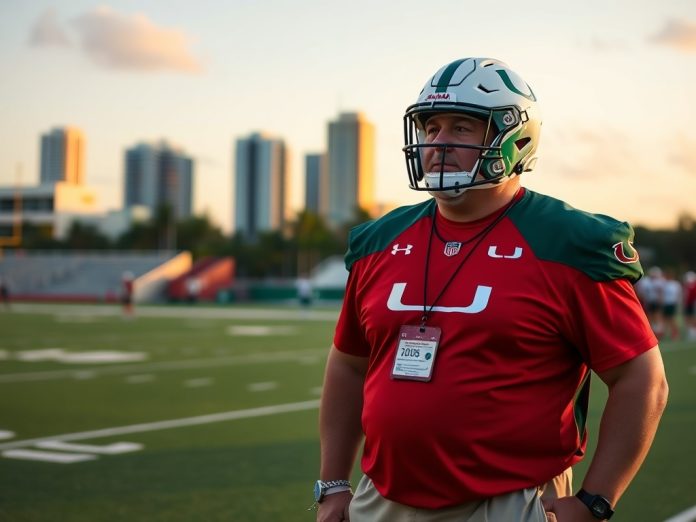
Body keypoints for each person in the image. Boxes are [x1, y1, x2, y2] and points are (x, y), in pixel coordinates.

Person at [316, 58, 668, 522]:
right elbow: (347, 366)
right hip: (381, 499)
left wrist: (595, 500)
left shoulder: (567, 243)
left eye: (462, 127)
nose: (438, 143)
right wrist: (333, 484)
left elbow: (642, 380)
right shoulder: (380, 241)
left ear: (514, 139)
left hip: (507, 502)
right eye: (431, 126)